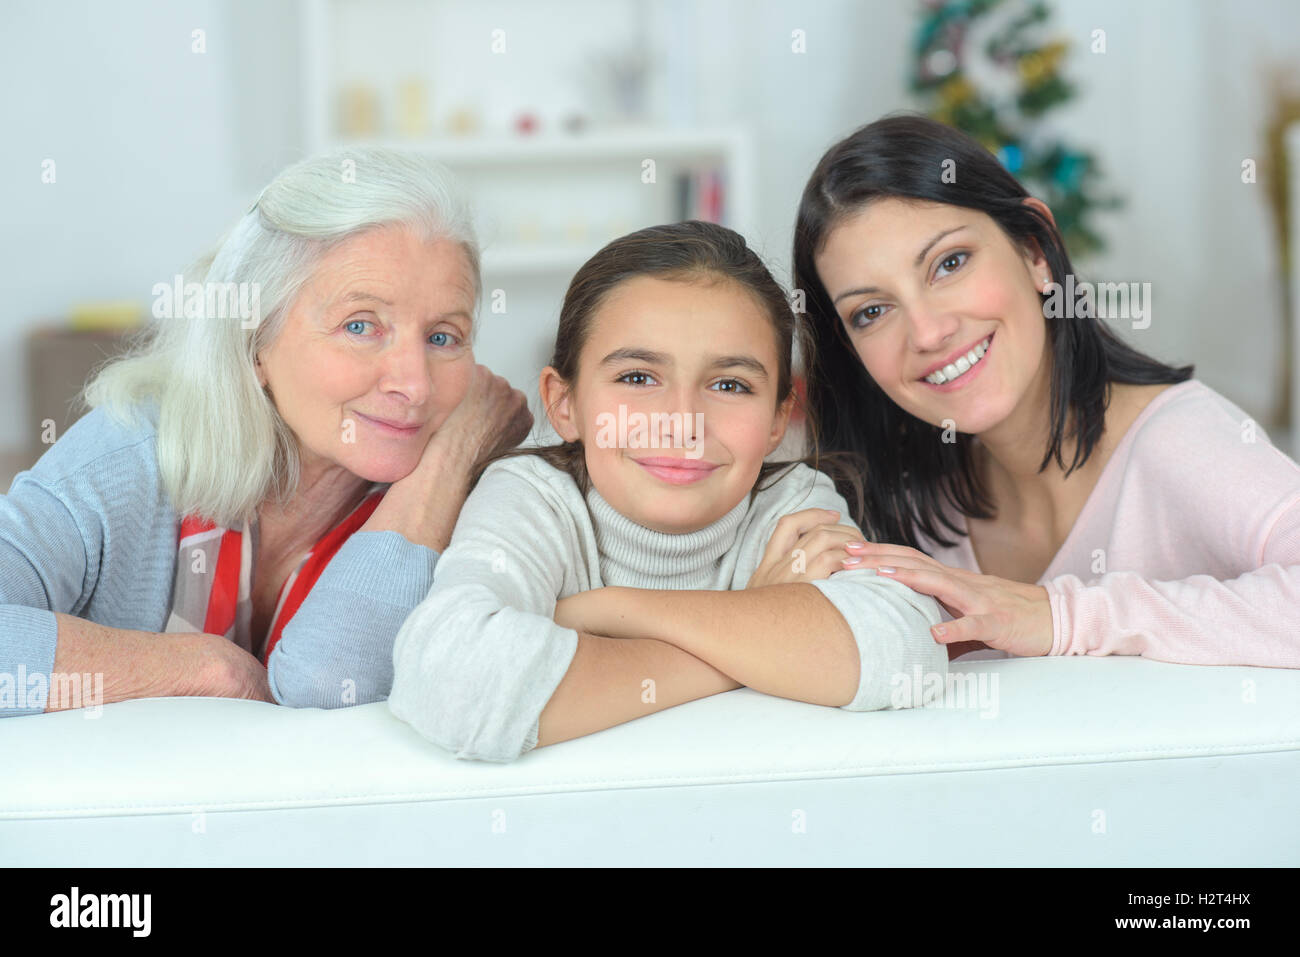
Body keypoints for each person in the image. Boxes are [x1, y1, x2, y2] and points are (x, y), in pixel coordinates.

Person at [387, 220, 948, 762]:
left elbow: (908, 650)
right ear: (564, 404)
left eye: (730, 385)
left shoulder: (792, 506)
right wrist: (752, 627)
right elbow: (453, 681)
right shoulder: (531, 496)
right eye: (637, 378)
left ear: (778, 420)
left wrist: (604, 612)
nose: (682, 423)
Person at [0, 147, 531, 717]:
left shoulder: (467, 492)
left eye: (443, 337)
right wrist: (206, 669)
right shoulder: (126, 455)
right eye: (360, 325)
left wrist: (445, 466)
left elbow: (327, 684)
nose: (416, 385)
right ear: (253, 343)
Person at [791, 113, 1300, 666]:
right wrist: (789, 593)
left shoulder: (1179, 442)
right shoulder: (908, 503)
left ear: (1036, 251)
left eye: (949, 264)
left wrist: (1059, 617)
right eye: (872, 311)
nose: (928, 332)